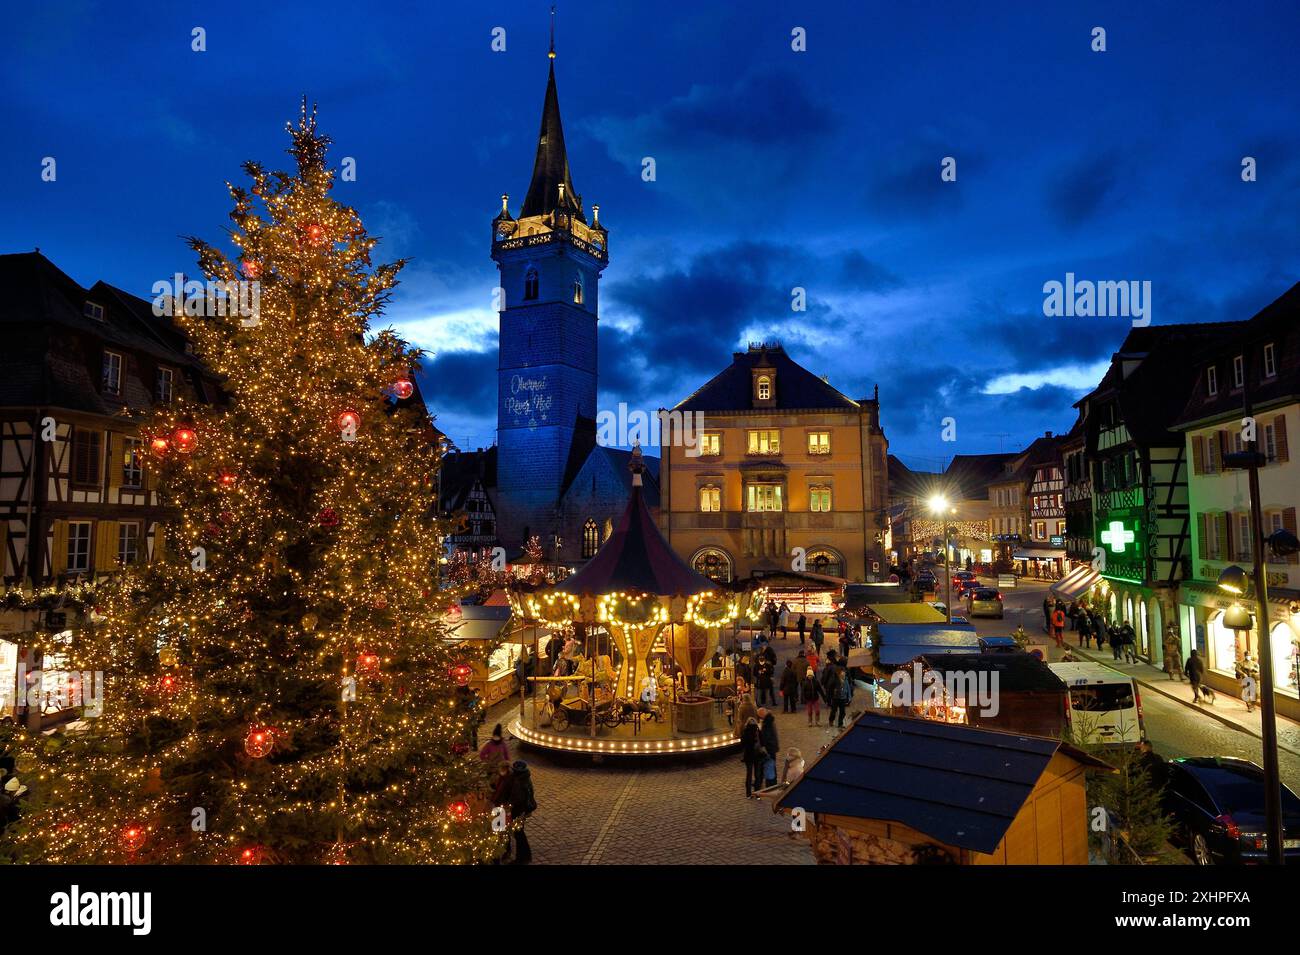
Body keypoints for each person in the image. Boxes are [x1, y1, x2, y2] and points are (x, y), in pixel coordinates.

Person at [506, 760, 536, 864]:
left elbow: (516, 798)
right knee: (520, 833)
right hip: (523, 810)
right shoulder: (526, 778)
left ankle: (522, 858)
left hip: (518, 810)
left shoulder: (519, 781)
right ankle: (525, 856)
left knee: (518, 834)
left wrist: (508, 805)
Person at [740, 716, 764, 798]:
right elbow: (763, 742)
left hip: (749, 756)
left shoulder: (745, 732)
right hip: (757, 755)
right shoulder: (758, 731)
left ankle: (748, 793)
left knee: (749, 774)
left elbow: (742, 744)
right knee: (757, 775)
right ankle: (757, 794)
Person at [759, 709, 780, 788]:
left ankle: (771, 784)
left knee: (770, 765)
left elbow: (766, 737)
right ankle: (773, 782)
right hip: (773, 746)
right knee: (772, 765)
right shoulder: (770, 720)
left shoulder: (766, 724)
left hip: (769, 748)